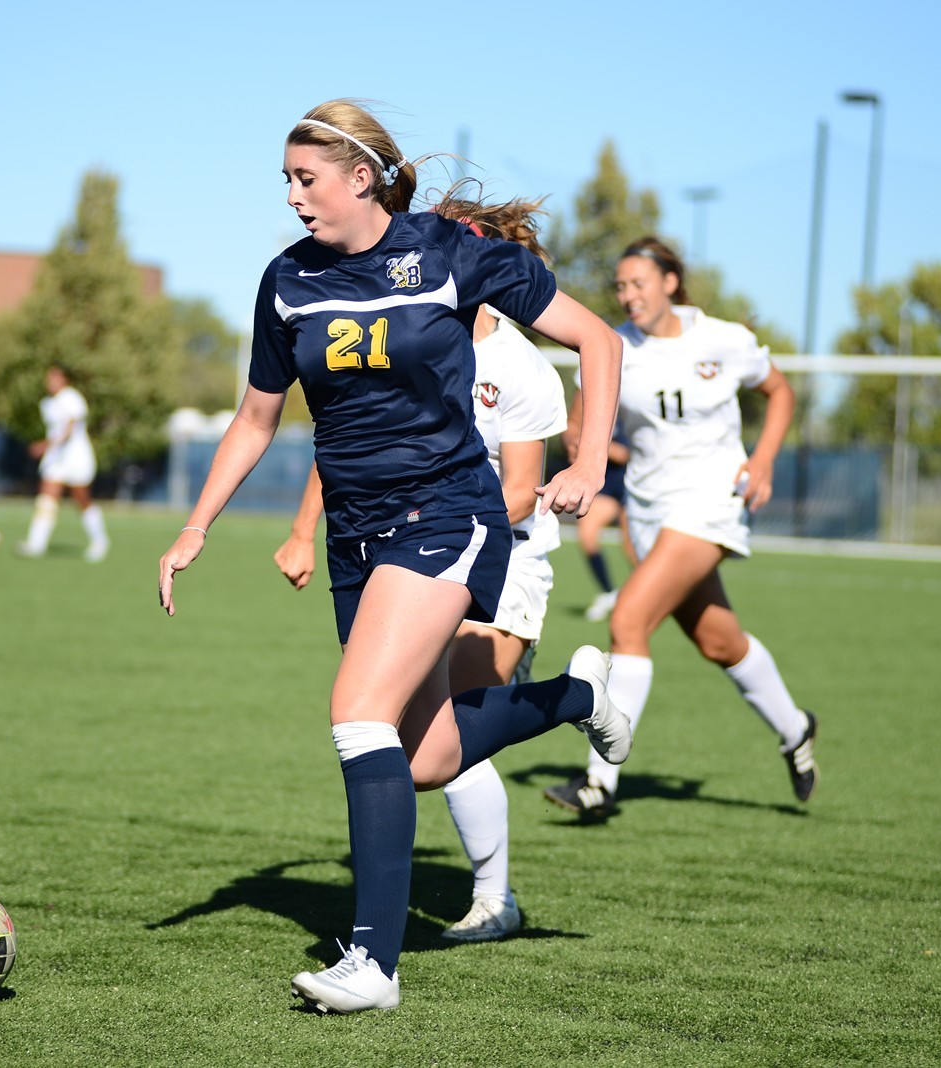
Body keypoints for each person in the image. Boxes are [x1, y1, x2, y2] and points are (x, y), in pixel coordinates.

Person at [159, 100, 628, 1015]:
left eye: (309, 179)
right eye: (287, 181)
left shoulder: (449, 253)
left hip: (449, 513)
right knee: (421, 754)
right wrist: (195, 527)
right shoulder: (286, 283)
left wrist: (592, 457)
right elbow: (257, 419)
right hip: (357, 539)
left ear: (361, 176)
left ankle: (373, 964)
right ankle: (578, 697)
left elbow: (597, 341)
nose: (295, 199)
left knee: (356, 714)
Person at [272, 189, 570, 945]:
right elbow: (353, 443)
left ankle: (488, 901)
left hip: (498, 550)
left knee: (433, 707)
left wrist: (429, 536)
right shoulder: (399, 324)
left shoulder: (522, 368)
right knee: (429, 750)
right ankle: (578, 696)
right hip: (406, 548)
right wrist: (306, 528)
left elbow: (518, 493)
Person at [542, 236, 818, 820]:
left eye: (639, 283)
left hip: (711, 503)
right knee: (718, 640)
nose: (628, 295)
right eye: (620, 286)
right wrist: (577, 441)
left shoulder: (725, 340)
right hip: (648, 511)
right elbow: (580, 416)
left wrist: (763, 459)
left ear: (670, 282)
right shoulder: (615, 345)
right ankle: (796, 730)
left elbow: (780, 392)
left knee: (628, 620)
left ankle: (598, 782)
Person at [18, 364, 109, 562]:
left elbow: (69, 428)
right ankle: (36, 543)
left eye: (55, 378)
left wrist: (44, 445)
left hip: (76, 457)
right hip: (56, 459)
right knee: (46, 499)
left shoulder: (71, 397)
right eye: (49, 378)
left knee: (82, 500)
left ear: (65, 379)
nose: (51, 382)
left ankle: (100, 541)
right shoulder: (47, 403)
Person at [575, 413, 634, 622]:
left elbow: (624, 454)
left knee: (634, 551)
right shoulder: (597, 407)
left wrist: (593, 446)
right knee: (587, 535)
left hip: (634, 486)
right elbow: (573, 427)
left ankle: (646, 599)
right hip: (607, 487)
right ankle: (609, 593)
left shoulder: (633, 404)